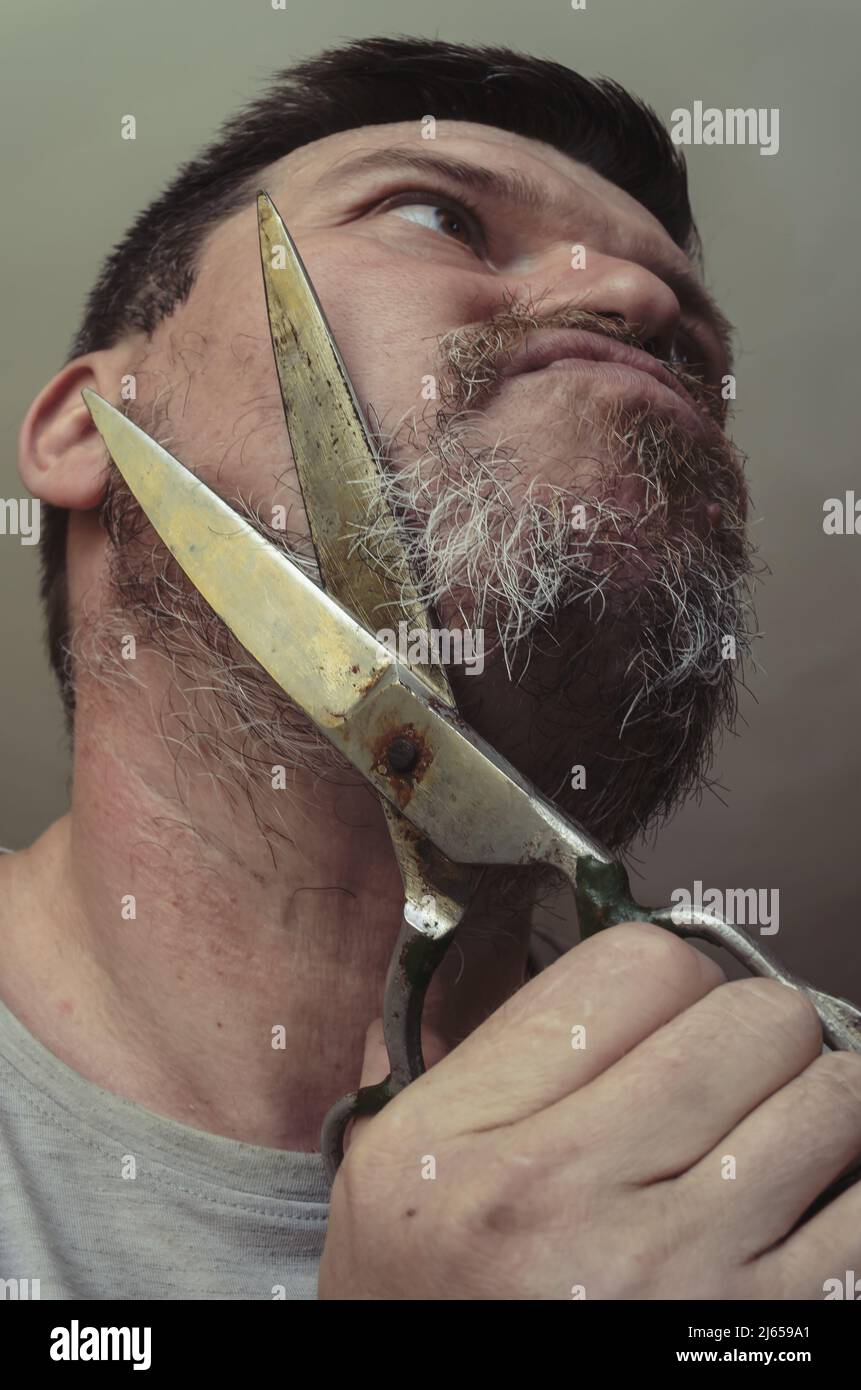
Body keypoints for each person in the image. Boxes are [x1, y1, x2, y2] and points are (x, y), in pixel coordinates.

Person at [2, 36, 857, 1302]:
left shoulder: (822, 1133)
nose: (636, 303)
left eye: (693, 357)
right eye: (434, 213)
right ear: (90, 428)